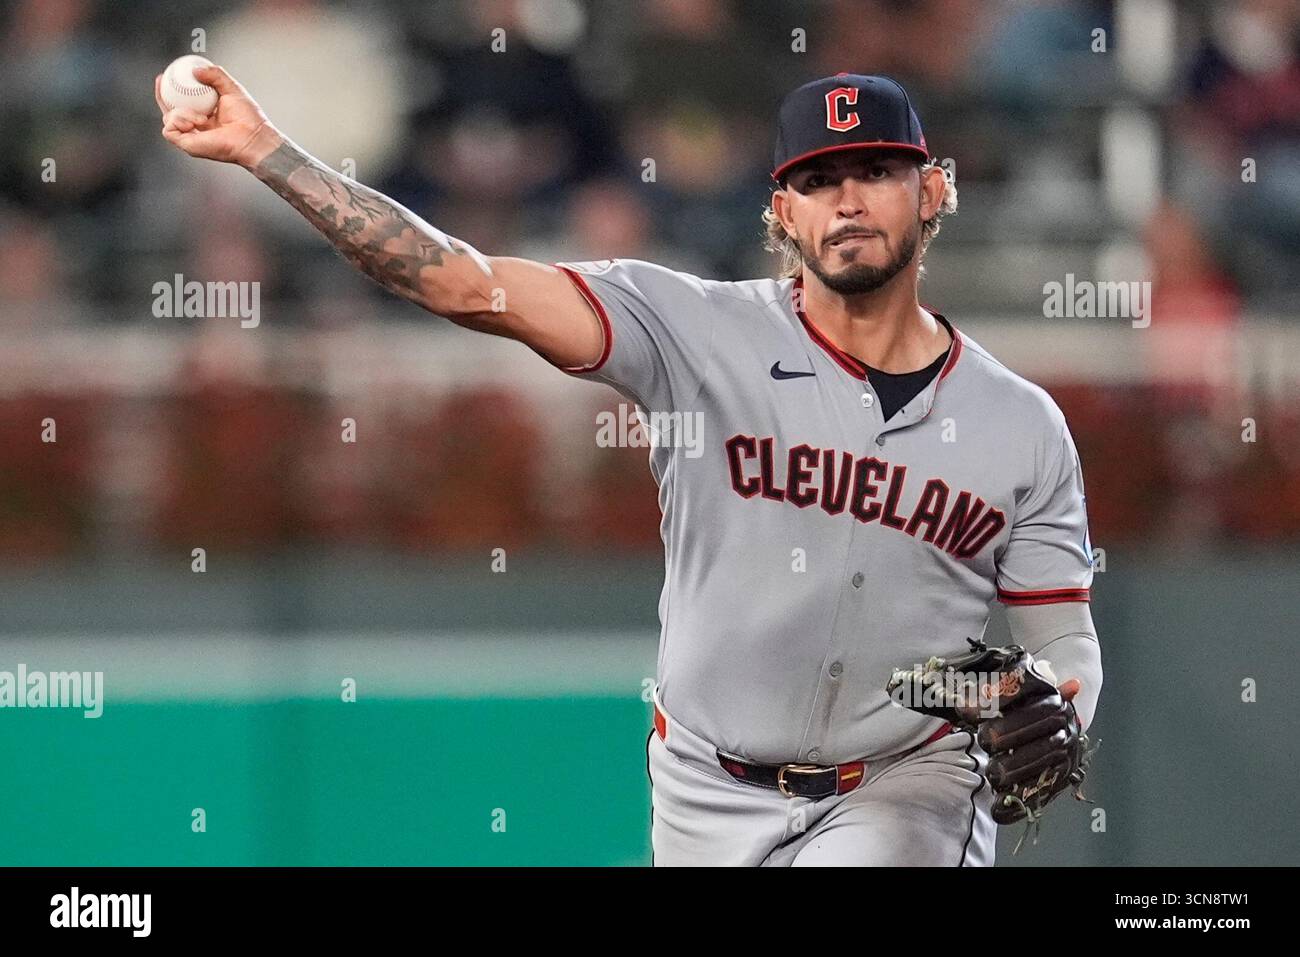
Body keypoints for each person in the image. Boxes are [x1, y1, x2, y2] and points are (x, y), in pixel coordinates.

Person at [156, 67, 1102, 866]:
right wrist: (263, 150)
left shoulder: (1020, 424)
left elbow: (1064, 639)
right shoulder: (693, 330)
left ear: (933, 189)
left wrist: (1063, 705)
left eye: (876, 170)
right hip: (703, 786)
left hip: (910, 779)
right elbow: (455, 277)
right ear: (781, 211)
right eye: (818, 181)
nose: (848, 199)